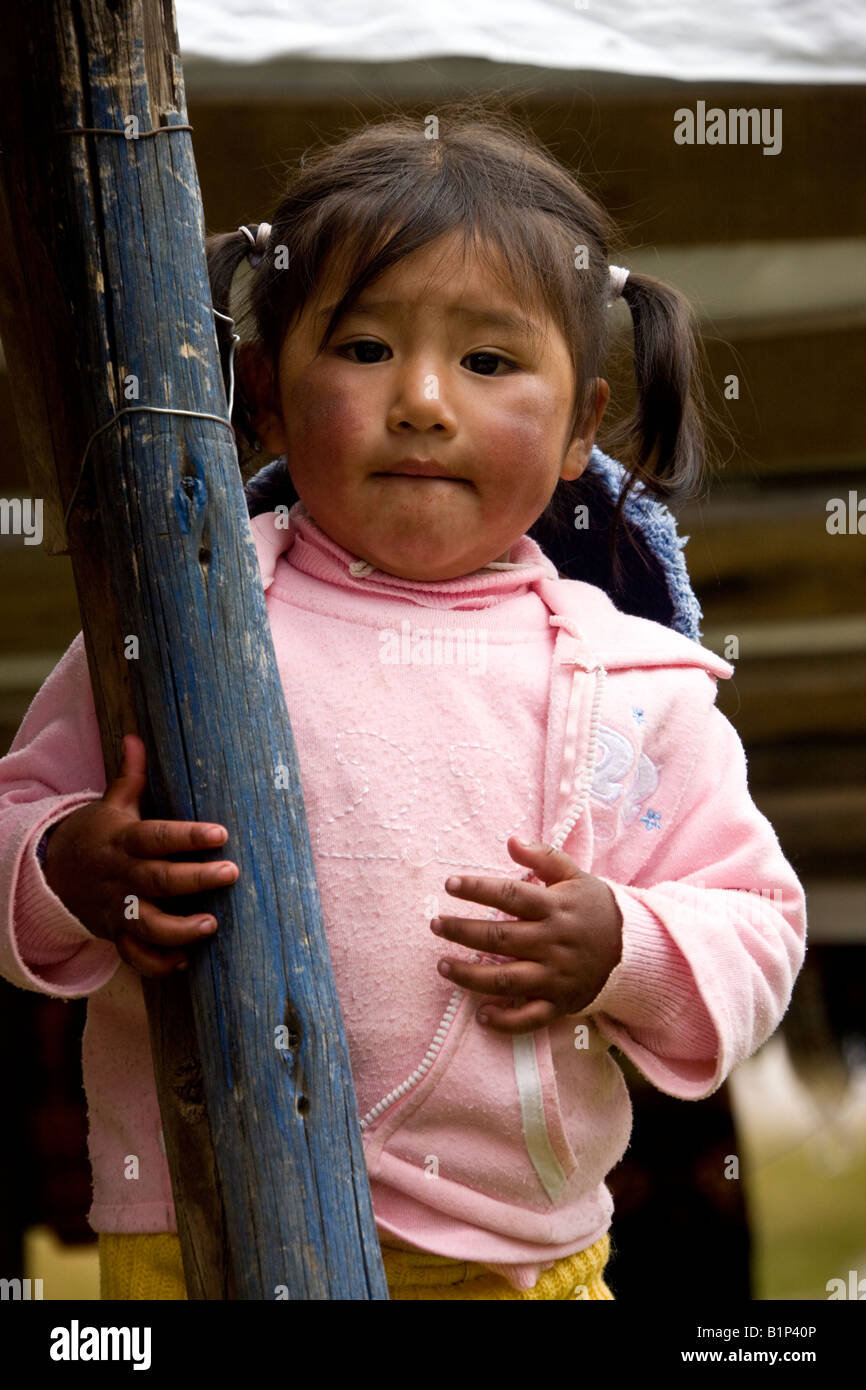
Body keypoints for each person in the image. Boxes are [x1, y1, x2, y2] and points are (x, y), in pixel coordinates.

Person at [0, 104, 807, 1300]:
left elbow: (755, 923)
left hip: (508, 1261)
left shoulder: (632, 684)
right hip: (196, 1226)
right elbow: (18, 817)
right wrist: (72, 866)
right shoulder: (170, 626)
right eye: (365, 349)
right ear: (267, 395)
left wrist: (625, 947)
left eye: (487, 362)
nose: (422, 399)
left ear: (581, 421)